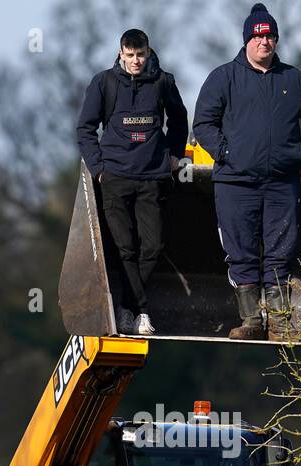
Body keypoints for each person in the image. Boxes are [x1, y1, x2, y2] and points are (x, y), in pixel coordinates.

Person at [192, 3, 301, 341]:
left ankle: (281, 325)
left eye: (270, 37)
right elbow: (203, 124)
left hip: (282, 183)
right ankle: (252, 321)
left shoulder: (293, 79)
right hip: (235, 182)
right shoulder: (223, 77)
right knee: (241, 252)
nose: (263, 42)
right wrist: (226, 153)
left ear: (276, 41)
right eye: (258, 36)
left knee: (281, 253)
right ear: (247, 40)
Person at [76, 27, 189, 337]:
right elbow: (85, 129)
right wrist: (99, 168)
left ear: (148, 52)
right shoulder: (104, 83)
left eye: (141, 55)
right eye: (130, 55)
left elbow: (179, 119)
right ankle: (138, 313)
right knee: (124, 247)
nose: (136, 61)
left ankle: (128, 307)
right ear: (120, 54)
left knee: (152, 246)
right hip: (114, 177)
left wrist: (176, 155)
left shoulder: (163, 81)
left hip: (152, 176)